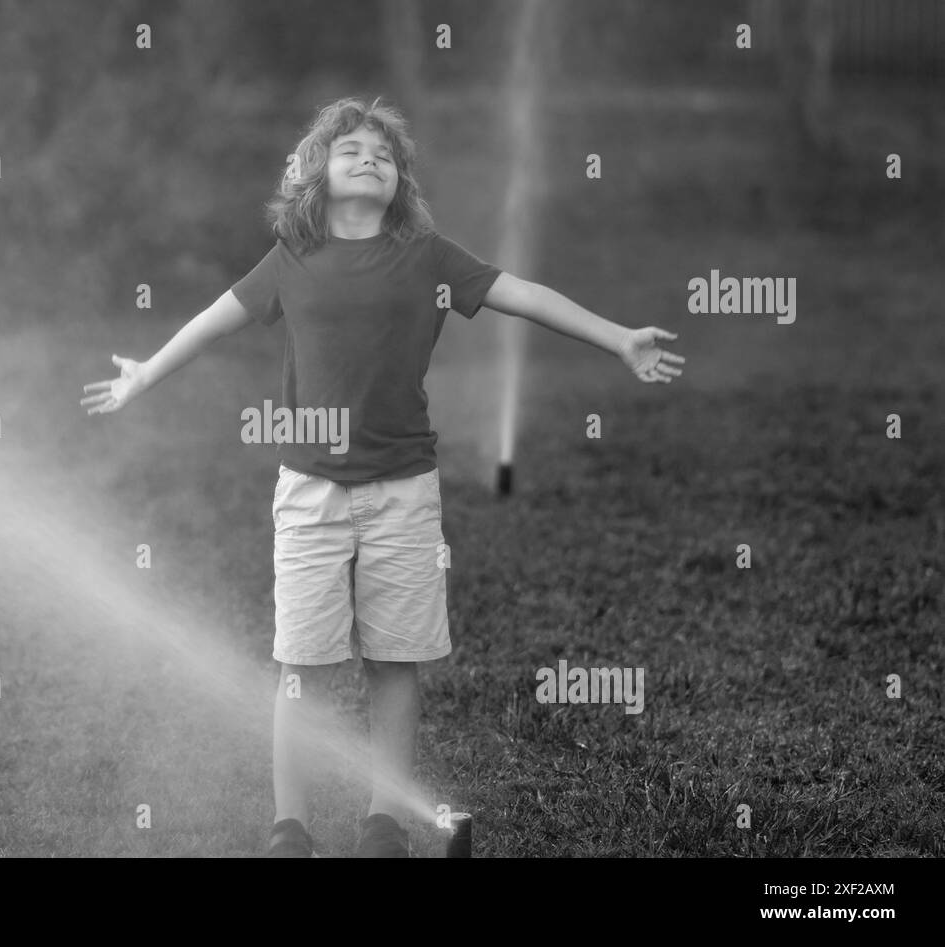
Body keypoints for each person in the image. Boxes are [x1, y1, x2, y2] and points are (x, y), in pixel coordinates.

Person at [82, 96, 685, 857]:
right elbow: (213, 319)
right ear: (316, 175)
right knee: (302, 663)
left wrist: (618, 337)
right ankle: (289, 827)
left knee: (395, 661)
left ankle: (383, 825)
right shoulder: (289, 260)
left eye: (385, 155)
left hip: (403, 492)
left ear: (400, 180)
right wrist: (145, 372)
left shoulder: (428, 257)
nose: (371, 159)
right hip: (310, 493)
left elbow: (522, 295)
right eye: (351, 151)